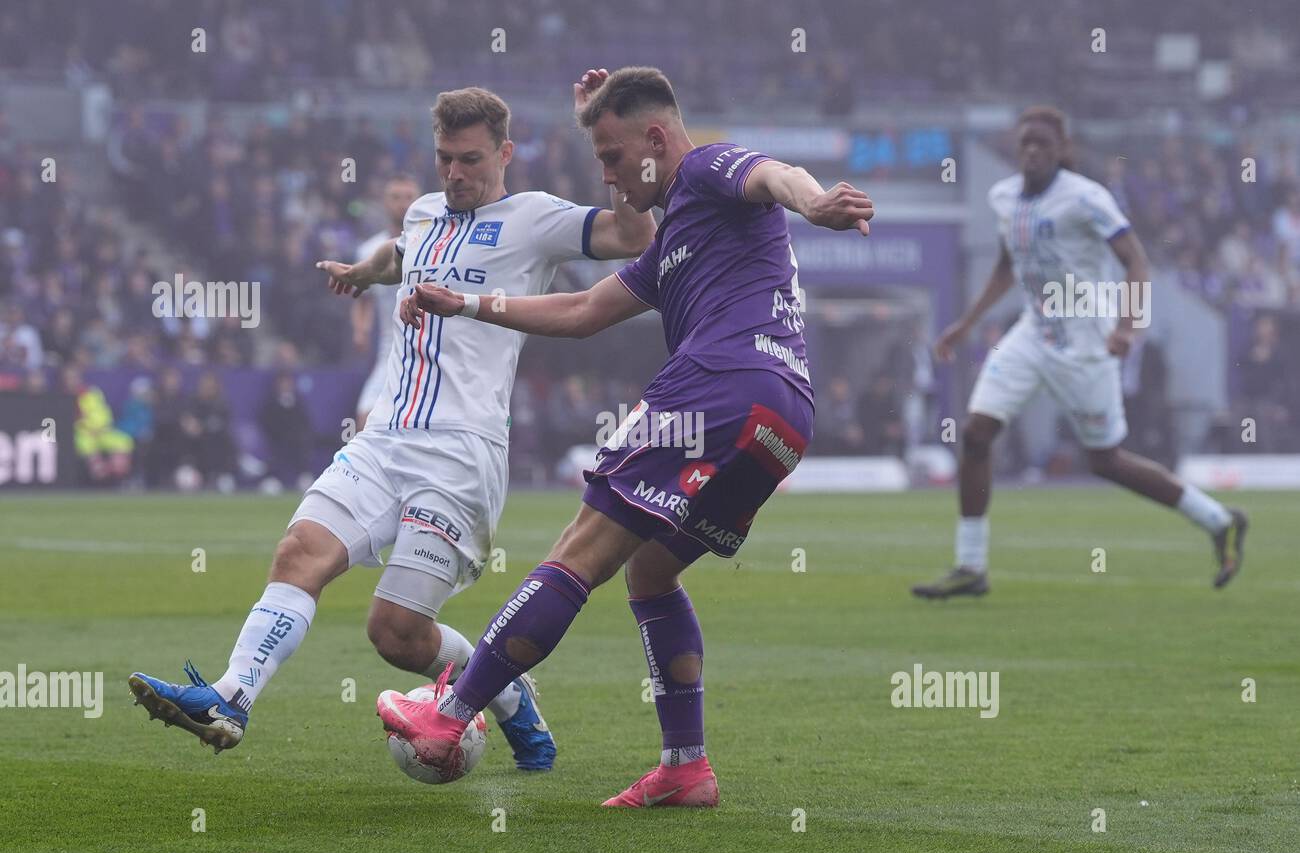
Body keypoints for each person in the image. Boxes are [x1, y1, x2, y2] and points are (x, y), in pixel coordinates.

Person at [378, 66, 873, 806]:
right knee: (650, 573)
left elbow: (778, 175)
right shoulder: (676, 243)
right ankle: (686, 768)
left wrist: (818, 204)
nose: (606, 176)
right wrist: (469, 303)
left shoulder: (707, 168)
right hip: (782, 415)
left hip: (716, 385)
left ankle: (448, 716)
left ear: (655, 139)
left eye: (612, 158)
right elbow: (580, 311)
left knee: (580, 550)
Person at [128, 81, 656, 772]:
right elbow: (399, 254)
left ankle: (511, 699)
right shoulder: (426, 213)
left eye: (470, 159)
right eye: (445, 159)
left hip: (460, 456)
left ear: (505, 152)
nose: (455, 174)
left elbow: (630, 234)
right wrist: (363, 272)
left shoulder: (536, 219)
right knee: (298, 554)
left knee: (397, 632)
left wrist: (611, 151)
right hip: (384, 441)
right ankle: (231, 697)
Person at [912, 107, 1246, 600]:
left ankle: (1219, 519)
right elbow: (1008, 266)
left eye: (1041, 145)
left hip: (1086, 337)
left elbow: (1136, 259)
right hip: (1033, 331)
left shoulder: (1086, 198)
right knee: (977, 432)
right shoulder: (1004, 196)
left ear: (1061, 151)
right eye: (1024, 143)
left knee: (1106, 461)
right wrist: (966, 324)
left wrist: (1128, 327)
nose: (1031, 152)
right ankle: (971, 564)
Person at [352, 174, 419, 429]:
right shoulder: (368, 250)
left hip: (428, 350)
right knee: (364, 419)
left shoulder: (432, 246)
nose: (402, 204)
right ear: (384, 202)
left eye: (408, 197)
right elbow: (362, 297)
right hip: (389, 351)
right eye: (395, 197)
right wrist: (360, 329)